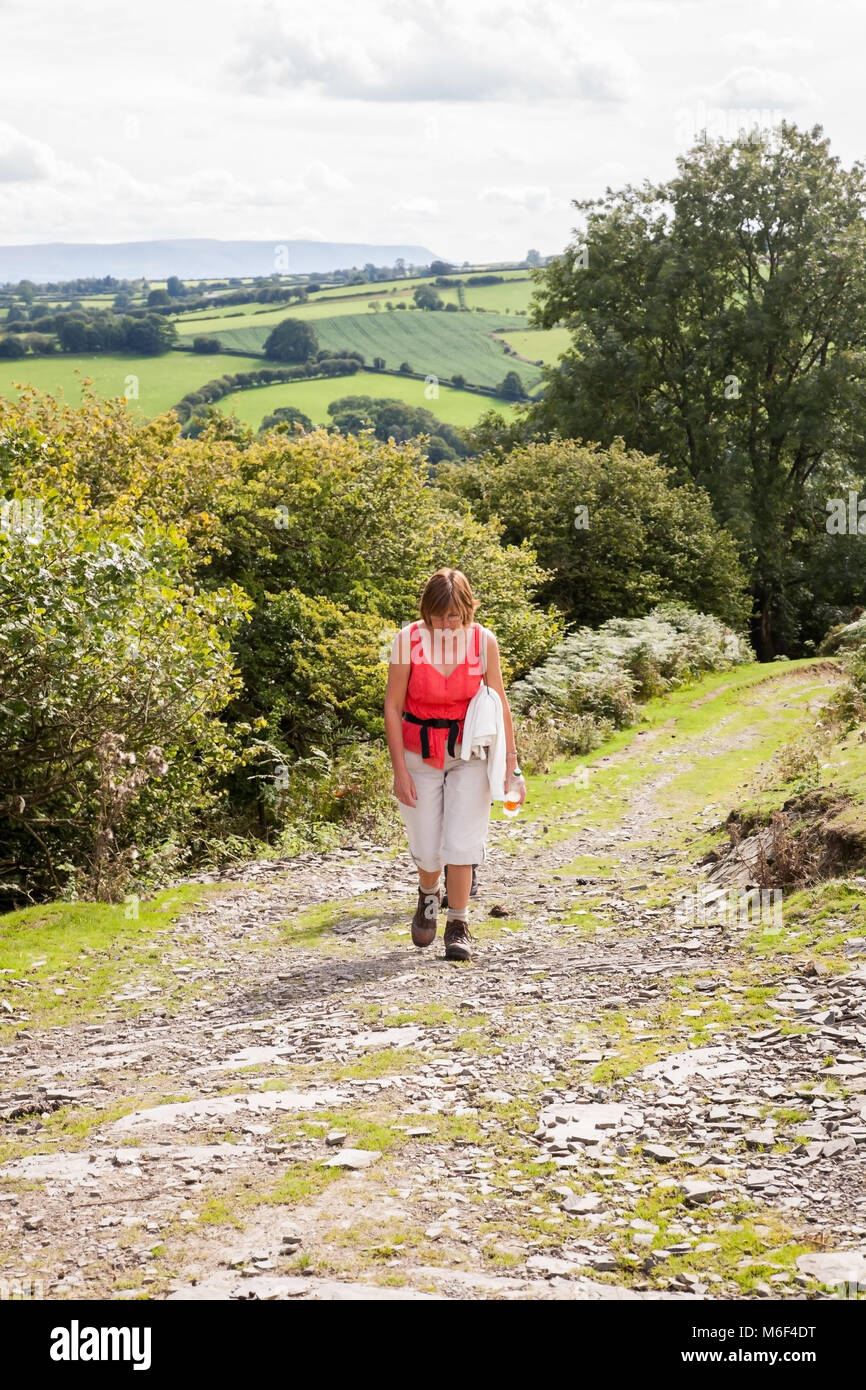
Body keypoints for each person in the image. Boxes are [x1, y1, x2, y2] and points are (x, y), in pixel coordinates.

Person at [384, 568, 526, 961]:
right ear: (426, 612)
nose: (446, 624)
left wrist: (511, 766)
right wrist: (399, 770)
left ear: (467, 610)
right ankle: (429, 896)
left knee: (462, 842)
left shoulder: (483, 642)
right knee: (428, 850)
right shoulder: (405, 641)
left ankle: (458, 924)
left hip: (469, 756)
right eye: (438, 615)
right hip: (419, 755)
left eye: (455, 616)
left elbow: (499, 704)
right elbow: (393, 708)